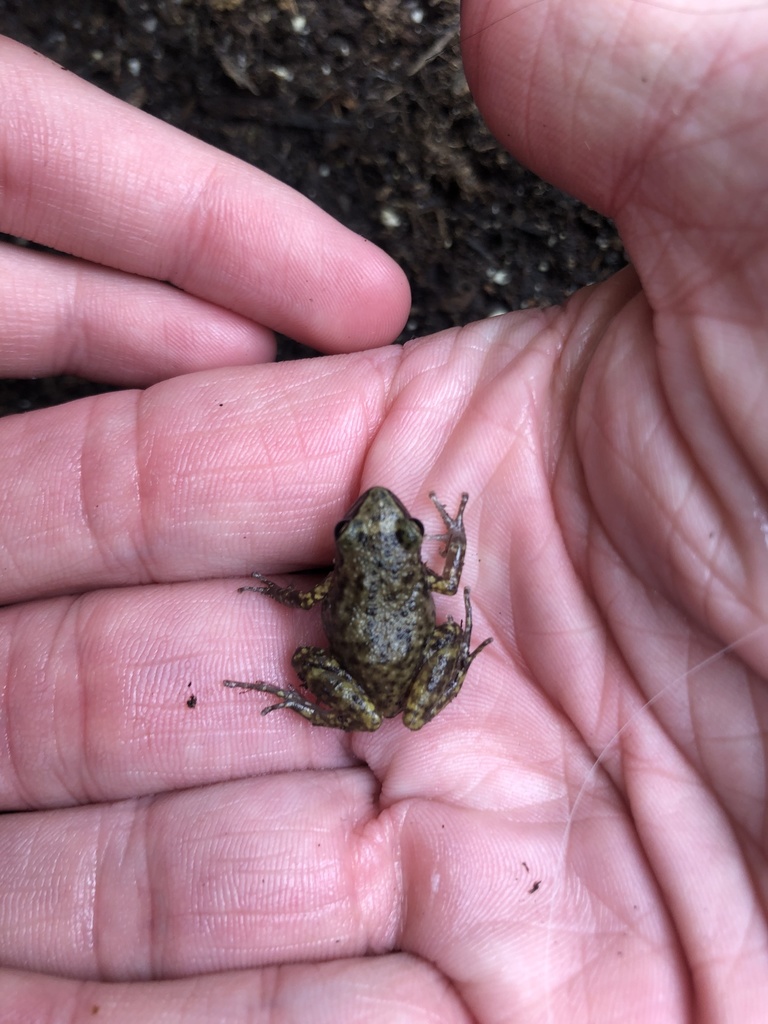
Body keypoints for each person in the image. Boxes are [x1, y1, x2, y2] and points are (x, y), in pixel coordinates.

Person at [1, 1, 766, 1018]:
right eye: (386, 528)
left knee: (308, 664)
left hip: (372, 663)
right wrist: (449, 537)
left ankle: (316, 705)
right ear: (385, 549)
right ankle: (339, 701)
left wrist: (300, 594)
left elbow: (320, 592)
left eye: (391, 528)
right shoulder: (418, 572)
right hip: (398, 665)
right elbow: (450, 580)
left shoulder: (346, 578)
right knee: (397, 664)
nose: (381, 522)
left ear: (379, 550)